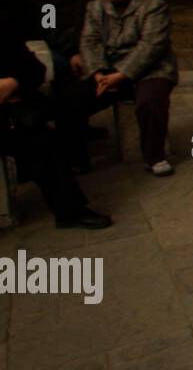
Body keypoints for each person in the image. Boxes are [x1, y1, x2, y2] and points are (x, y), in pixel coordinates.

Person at [57, 0, 178, 177]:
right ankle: (77, 159)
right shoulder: (96, 7)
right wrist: (98, 73)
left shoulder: (153, 7)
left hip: (152, 70)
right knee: (70, 99)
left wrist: (121, 74)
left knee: (150, 101)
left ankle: (154, 156)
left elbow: (150, 46)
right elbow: (89, 41)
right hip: (107, 70)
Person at [0, 32, 113, 229]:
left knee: (51, 130)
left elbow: (36, 68)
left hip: (18, 111)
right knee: (37, 142)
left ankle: (69, 210)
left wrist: (14, 83)